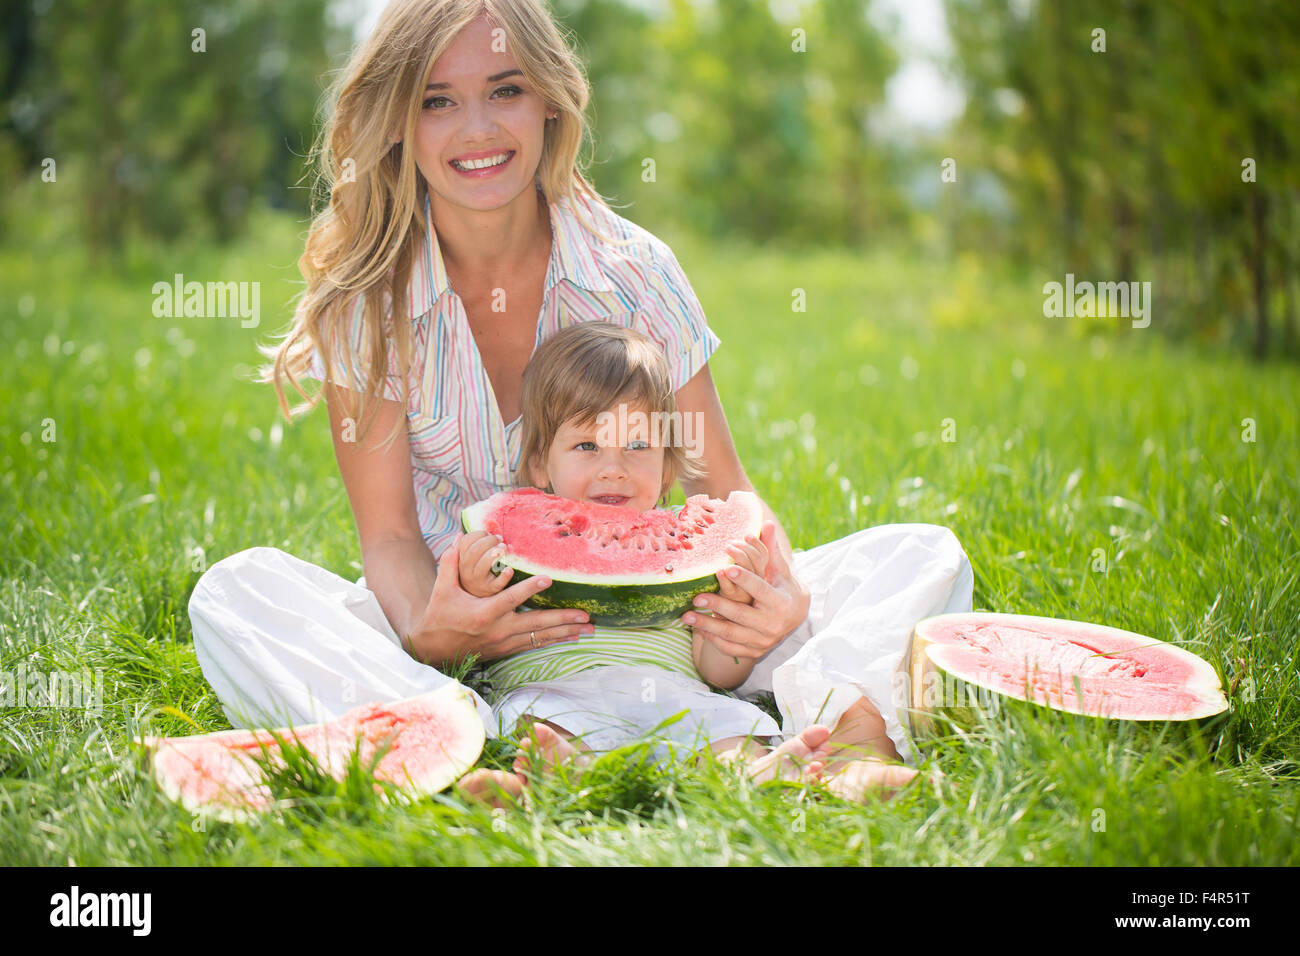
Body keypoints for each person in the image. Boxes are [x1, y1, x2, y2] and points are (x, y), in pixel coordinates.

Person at [188, 0, 973, 799]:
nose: (478, 129)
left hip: (673, 629)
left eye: (505, 90)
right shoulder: (369, 302)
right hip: (457, 629)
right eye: (436, 100)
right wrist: (432, 630)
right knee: (237, 591)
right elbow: (389, 535)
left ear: (549, 102)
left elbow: (722, 487)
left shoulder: (635, 271)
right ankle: (442, 738)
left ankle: (847, 732)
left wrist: (776, 592)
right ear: (396, 120)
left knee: (921, 554)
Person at [452, 323, 852, 803]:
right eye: (587, 446)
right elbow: (468, 638)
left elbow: (718, 672)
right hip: (557, 693)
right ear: (540, 463)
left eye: (637, 446)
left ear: (667, 469)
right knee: (542, 725)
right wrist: (477, 582)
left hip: (676, 696)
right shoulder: (506, 544)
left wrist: (736, 609)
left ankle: (753, 772)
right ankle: (563, 775)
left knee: (727, 726)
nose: (613, 466)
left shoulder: (688, 557)